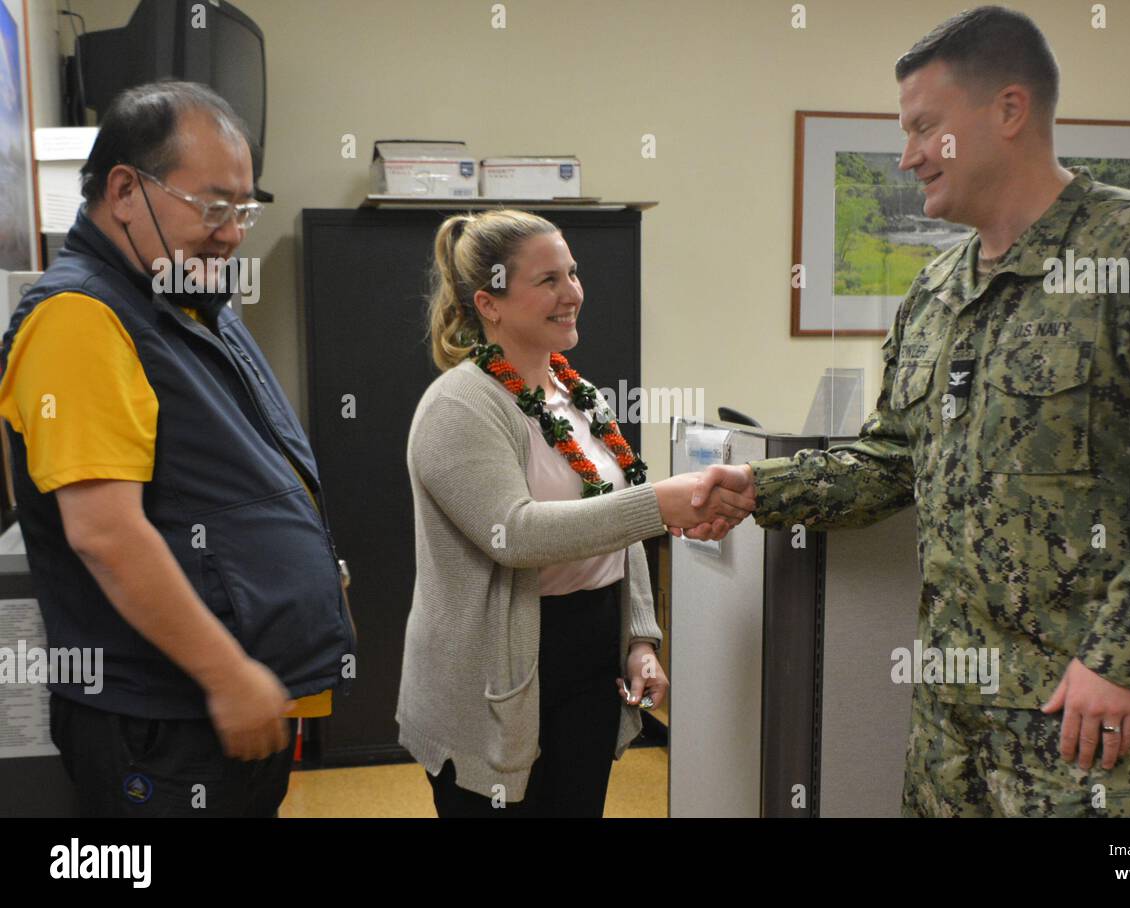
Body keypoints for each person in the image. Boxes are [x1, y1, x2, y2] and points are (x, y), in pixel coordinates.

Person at [688, 6, 1130, 816]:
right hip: (953, 723)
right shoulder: (939, 292)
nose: (909, 157)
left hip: (1087, 728)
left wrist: (1122, 659)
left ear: (1008, 111)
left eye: (926, 128)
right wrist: (761, 487)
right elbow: (898, 458)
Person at [0, 81, 355, 816]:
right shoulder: (79, 319)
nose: (231, 231)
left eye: (244, 210)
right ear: (125, 190)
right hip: (159, 724)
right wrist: (227, 674)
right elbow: (106, 534)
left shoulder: (187, 297)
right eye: (213, 207)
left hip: (216, 710)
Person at [397, 209, 752, 817]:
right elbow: (517, 533)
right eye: (548, 280)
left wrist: (639, 639)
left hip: (589, 653)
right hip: (495, 672)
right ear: (491, 303)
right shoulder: (457, 407)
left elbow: (615, 516)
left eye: (573, 273)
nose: (573, 294)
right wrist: (658, 504)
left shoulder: (574, 395)